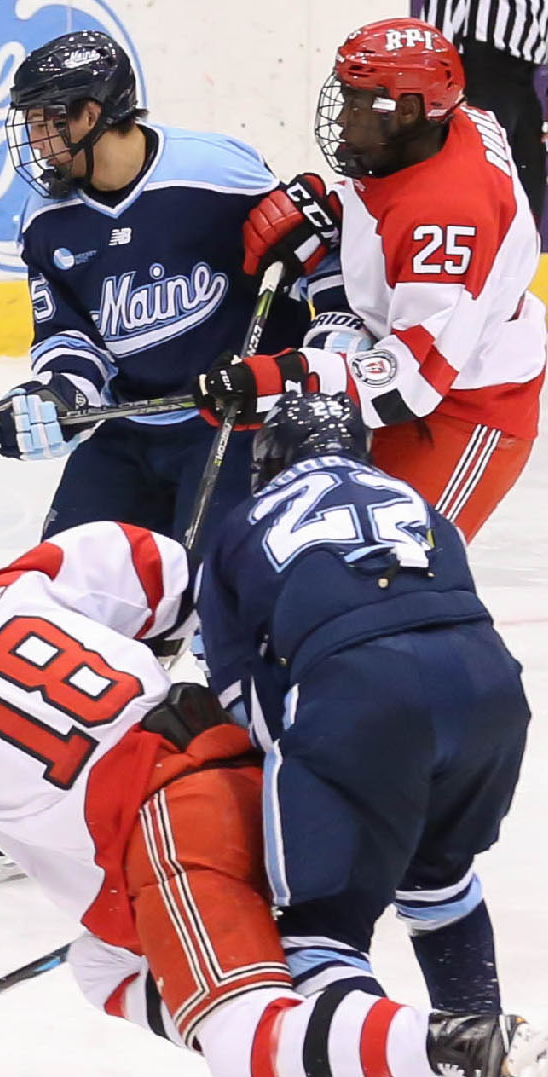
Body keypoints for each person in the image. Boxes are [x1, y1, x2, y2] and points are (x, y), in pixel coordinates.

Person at [0, 521, 545, 1077]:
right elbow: (171, 571)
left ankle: (464, 1049)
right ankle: (366, 1044)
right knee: (102, 964)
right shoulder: (23, 588)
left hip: (173, 835)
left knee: (246, 1037)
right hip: (263, 774)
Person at [195, 392, 530, 1018]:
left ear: (269, 458)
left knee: (323, 923)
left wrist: (284, 781)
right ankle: (478, 1045)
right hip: (492, 692)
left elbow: (242, 692)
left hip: (361, 696)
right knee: (439, 878)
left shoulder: (239, 527)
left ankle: (365, 1055)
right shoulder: (415, 501)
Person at [197, 18, 545, 541]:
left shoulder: (448, 224)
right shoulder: (450, 121)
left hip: (464, 406)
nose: (342, 117)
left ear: (406, 111)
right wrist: (331, 203)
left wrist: (284, 380)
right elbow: (389, 188)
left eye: (358, 102)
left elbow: (413, 383)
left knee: (392, 564)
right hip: (415, 354)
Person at [0, 29, 308, 542]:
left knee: (215, 587)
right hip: (128, 426)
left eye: (44, 122)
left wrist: (318, 351)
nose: (34, 142)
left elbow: (297, 262)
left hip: (232, 419)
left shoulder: (218, 172)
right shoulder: (45, 218)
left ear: (90, 115)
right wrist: (60, 395)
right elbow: (68, 335)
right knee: (61, 575)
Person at [426, 0, 548, 221]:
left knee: (527, 199)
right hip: (481, 71)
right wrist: (439, 72)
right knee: (477, 190)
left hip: (525, 80)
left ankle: (515, 263)